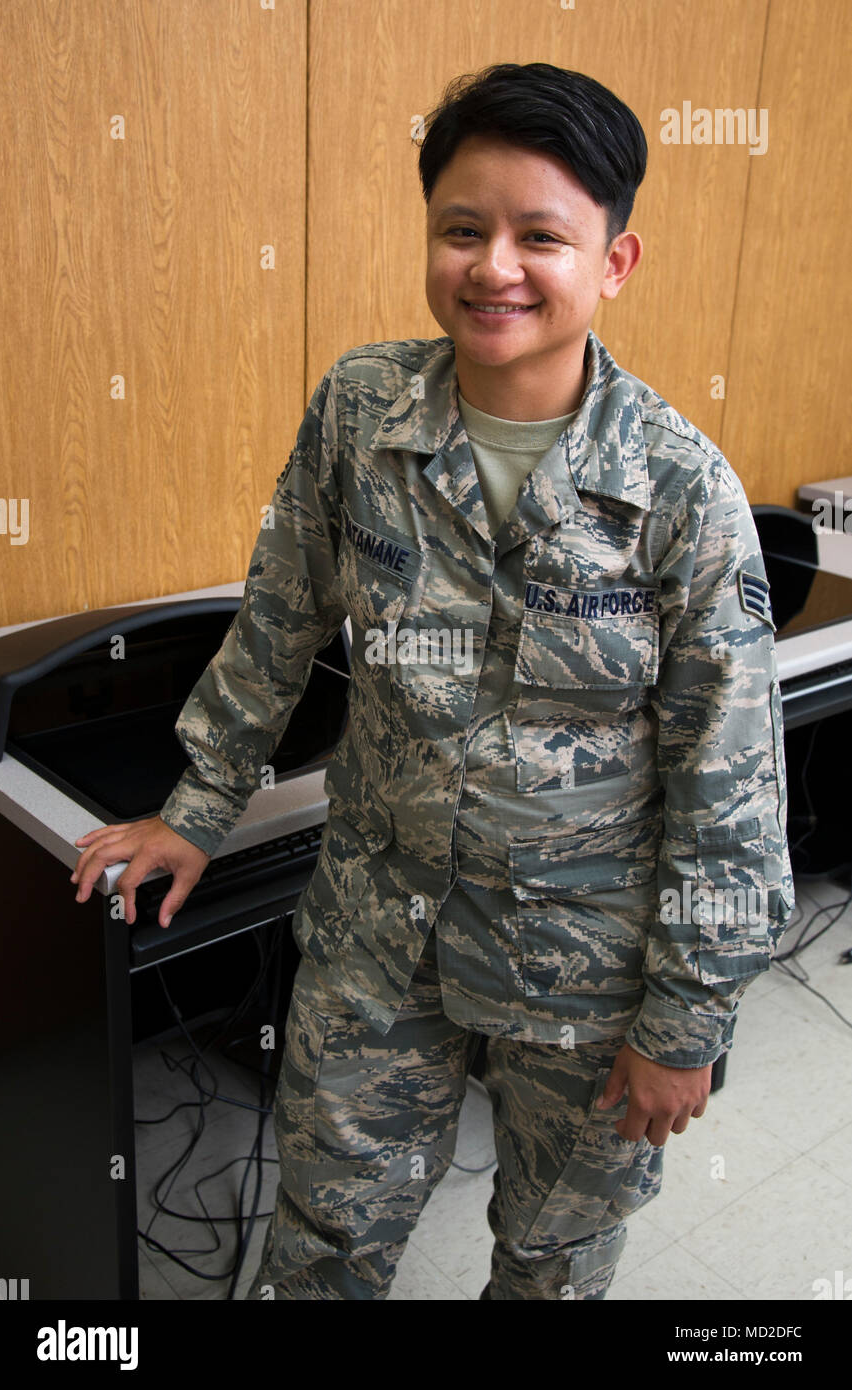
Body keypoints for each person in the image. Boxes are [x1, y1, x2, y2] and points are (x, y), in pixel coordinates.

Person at [71, 62, 794, 1300]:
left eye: (539, 236)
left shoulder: (682, 491)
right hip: (375, 941)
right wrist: (196, 810)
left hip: (584, 972)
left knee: (551, 1268)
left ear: (614, 263)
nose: (493, 266)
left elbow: (729, 781)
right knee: (324, 1242)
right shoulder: (362, 410)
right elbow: (281, 615)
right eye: (463, 229)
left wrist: (686, 1026)